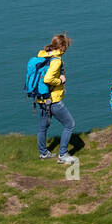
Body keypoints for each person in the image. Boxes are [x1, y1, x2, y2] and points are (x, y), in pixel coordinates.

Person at [34, 33, 78, 164]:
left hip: (42, 98)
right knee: (70, 124)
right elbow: (48, 79)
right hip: (53, 100)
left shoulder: (43, 56)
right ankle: (63, 155)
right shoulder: (56, 61)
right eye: (66, 46)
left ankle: (43, 153)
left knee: (43, 128)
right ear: (62, 47)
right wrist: (60, 80)